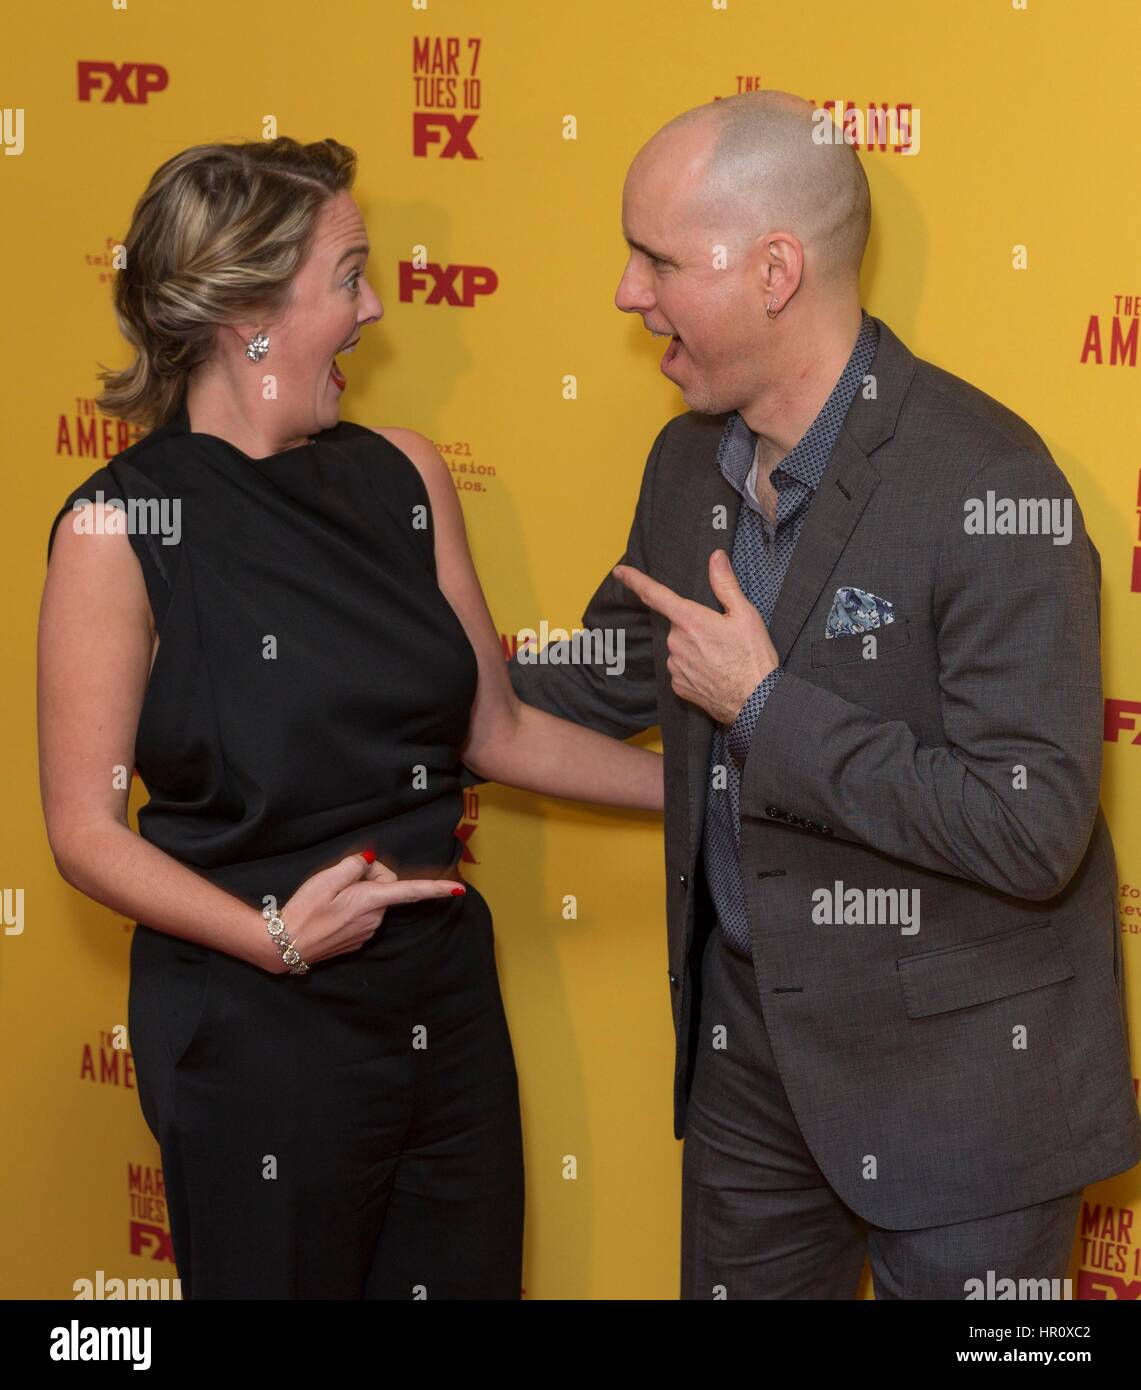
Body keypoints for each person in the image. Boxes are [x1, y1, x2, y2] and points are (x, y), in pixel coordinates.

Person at [496, 90, 1141, 1298]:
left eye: (656, 259)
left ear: (775, 269)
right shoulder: (689, 454)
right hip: (753, 1065)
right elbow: (615, 672)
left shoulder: (995, 484)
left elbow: (1030, 824)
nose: (627, 293)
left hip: (970, 1099)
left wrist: (766, 708)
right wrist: (393, 663)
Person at [37, 136, 663, 1300]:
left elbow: (499, 734)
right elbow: (83, 829)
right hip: (253, 1022)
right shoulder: (118, 530)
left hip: (443, 1004)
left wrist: (720, 791)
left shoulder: (404, 476)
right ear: (250, 313)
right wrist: (272, 935)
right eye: (350, 275)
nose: (376, 307)